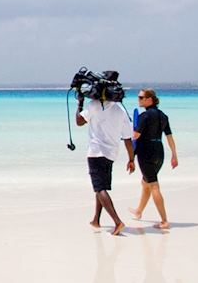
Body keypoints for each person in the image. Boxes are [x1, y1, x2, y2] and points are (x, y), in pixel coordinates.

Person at [76, 92, 135, 235]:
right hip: (111, 154)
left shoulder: (94, 105)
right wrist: (131, 159)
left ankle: (117, 222)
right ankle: (96, 219)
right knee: (101, 188)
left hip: (95, 152)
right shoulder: (120, 110)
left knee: (99, 188)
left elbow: (79, 122)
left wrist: (79, 104)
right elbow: (127, 138)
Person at [129, 88, 178, 229]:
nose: (138, 100)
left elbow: (136, 136)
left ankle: (164, 221)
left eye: (141, 97)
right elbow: (169, 137)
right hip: (159, 151)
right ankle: (139, 211)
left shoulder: (144, 116)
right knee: (146, 183)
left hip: (146, 152)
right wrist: (174, 155)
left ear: (149, 99)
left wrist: (126, 135)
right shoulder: (163, 116)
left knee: (154, 185)